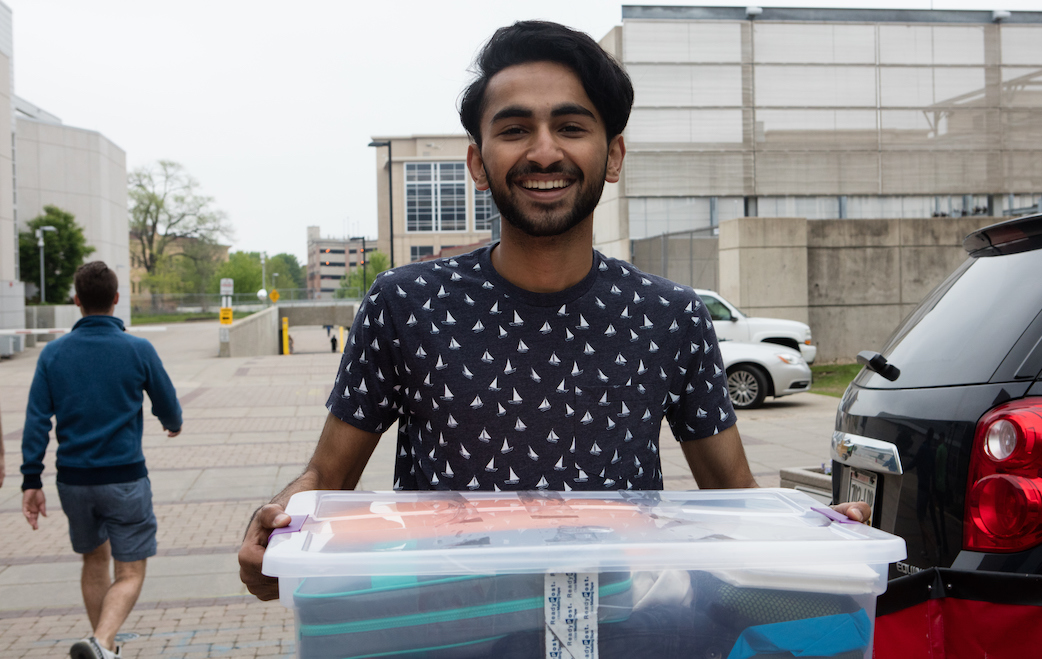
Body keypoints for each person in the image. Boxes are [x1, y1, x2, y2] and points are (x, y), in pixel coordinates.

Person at [238, 20, 870, 600]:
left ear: (613, 155)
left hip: (624, 628)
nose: (544, 152)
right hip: (445, 632)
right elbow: (326, 476)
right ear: (477, 162)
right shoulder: (405, 304)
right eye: (514, 130)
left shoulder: (670, 315)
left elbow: (736, 499)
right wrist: (278, 527)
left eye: (570, 126)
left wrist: (817, 533)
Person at [21, 261, 183, 659]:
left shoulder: (53, 355)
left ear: (76, 301)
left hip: (73, 481)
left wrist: (31, 481)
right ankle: (102, 641)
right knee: (130, 570)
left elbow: (36, 421)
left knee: (94, 560)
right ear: (115, 298)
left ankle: (102, 648)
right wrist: (171, 422)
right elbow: (167, 403)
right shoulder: (137, 349)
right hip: (124, 479)